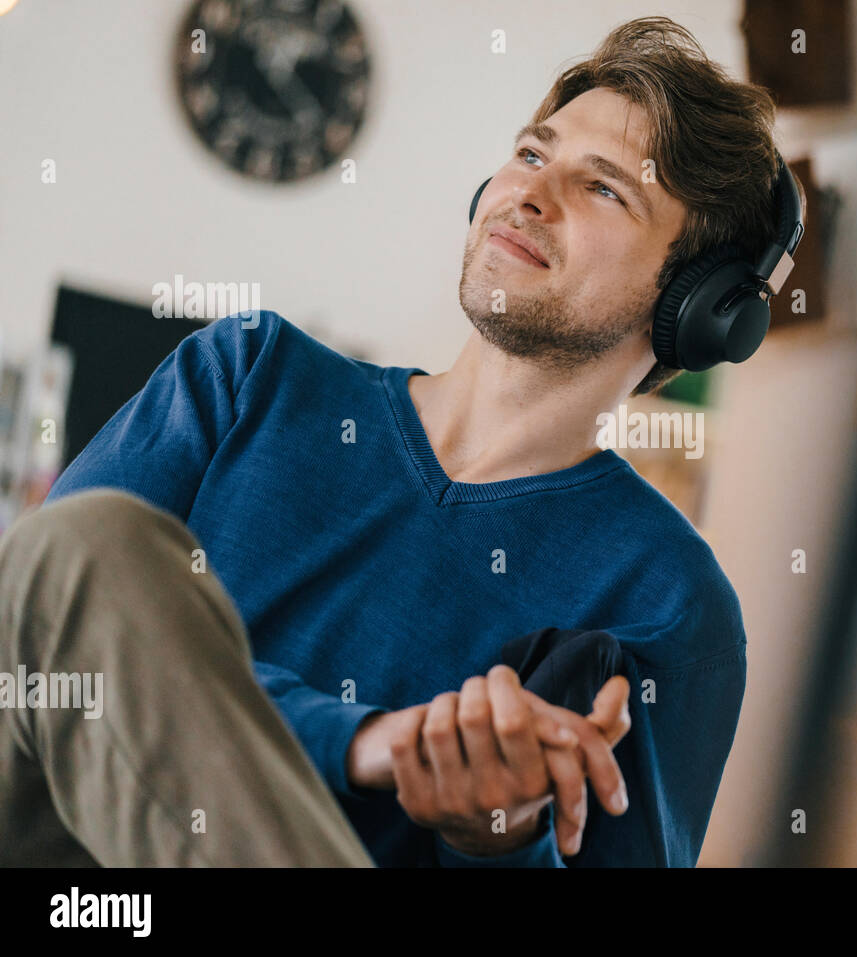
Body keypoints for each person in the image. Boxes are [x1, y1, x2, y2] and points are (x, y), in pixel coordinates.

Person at [0, 16, 783, 866]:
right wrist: (366, 742)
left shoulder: (670, 599)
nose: (530, 193)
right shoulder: (248, 374)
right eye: (530, 154)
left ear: (695, 306)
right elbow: (38, 623)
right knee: (85, 546)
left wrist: (500, 834)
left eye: (602, 188)